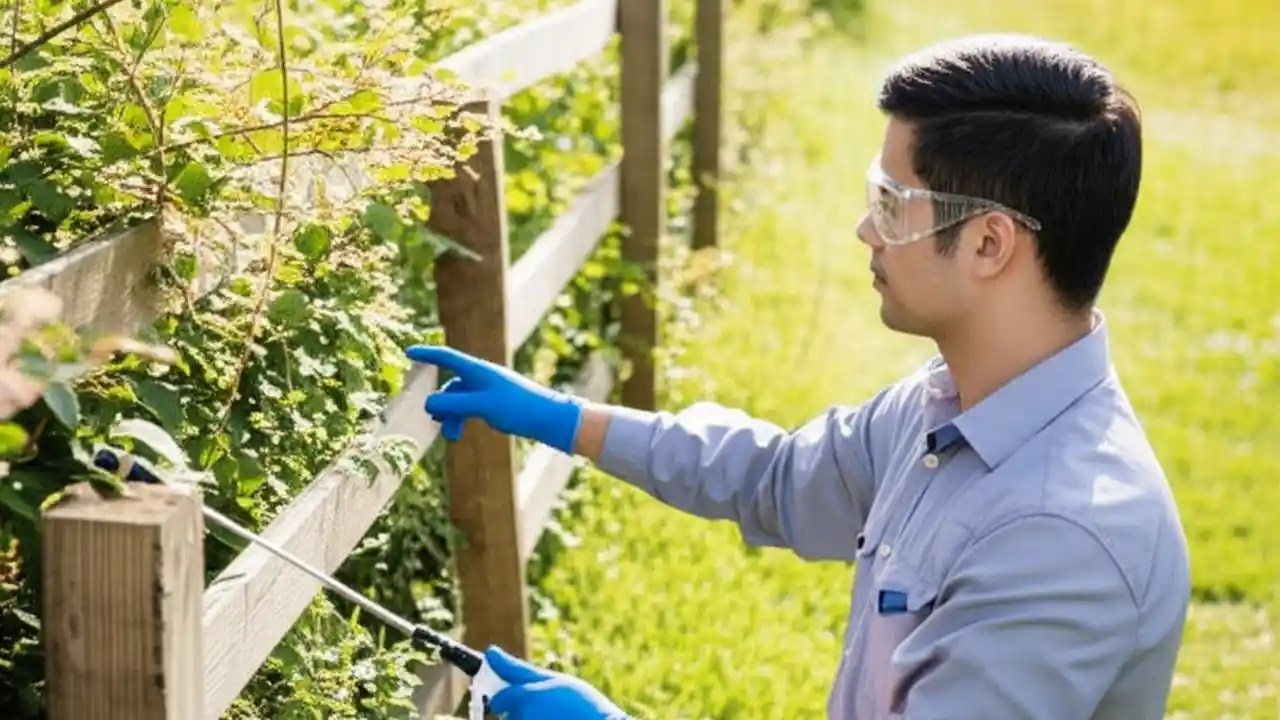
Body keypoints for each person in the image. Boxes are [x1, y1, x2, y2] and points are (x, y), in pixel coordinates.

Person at [408, 32, 1191, 720]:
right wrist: (561, 419)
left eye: (892, 204)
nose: (864, 230)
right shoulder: (944, 408)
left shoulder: (1059, 538)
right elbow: (779, 478)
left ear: (990, 245)